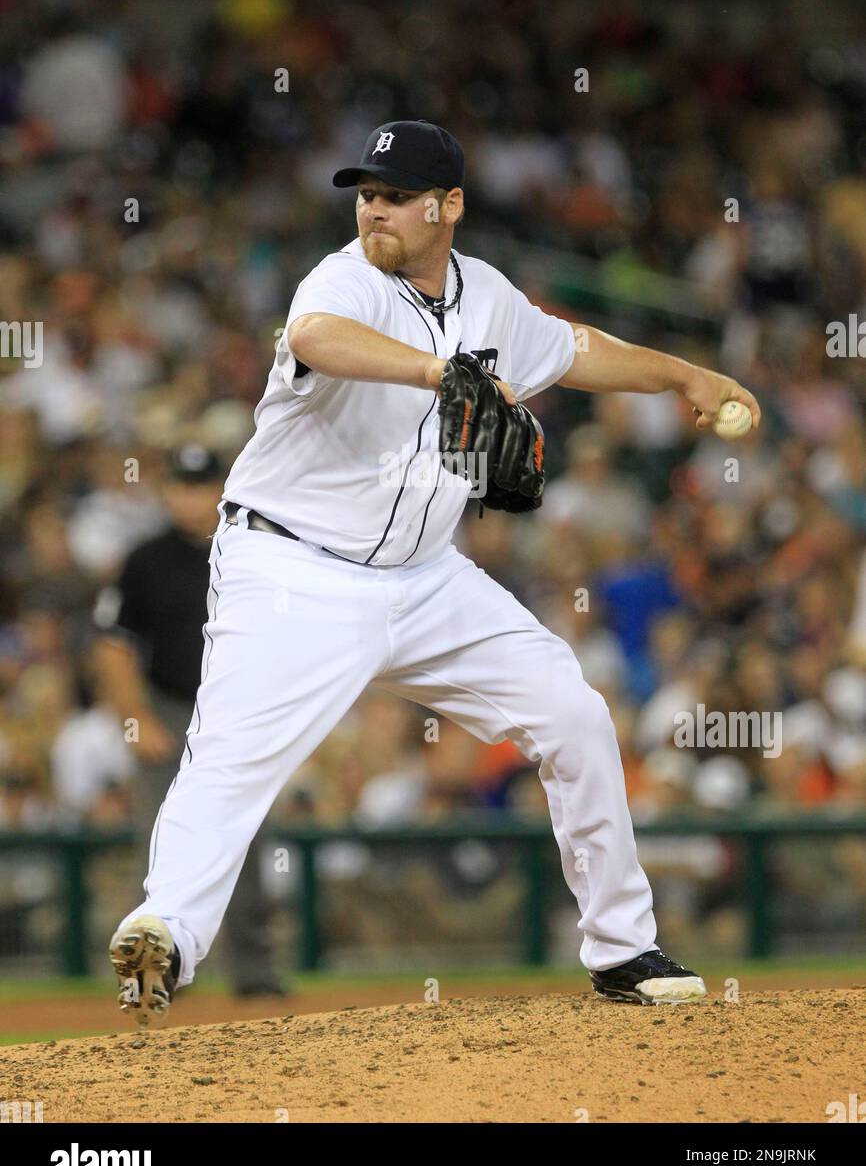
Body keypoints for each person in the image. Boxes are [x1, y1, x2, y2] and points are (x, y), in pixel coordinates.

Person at [109, 120, 760, 1016]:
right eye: (365, 194)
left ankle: (624, 949)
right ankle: (164, 934)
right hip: (294, 569)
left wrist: (683, 374)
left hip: (425, 578)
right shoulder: (345, 280)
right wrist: (435, 371)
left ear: (447, 206)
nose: (373, 209)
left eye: (394, 195)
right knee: (232, 758)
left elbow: (573, 351)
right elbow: (316, 334)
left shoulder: (487, 295)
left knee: (572, 712)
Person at [97, 444, 284, 1000]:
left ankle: (255, 972)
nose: (192, 496)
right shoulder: (145, 558)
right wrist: (137, 719)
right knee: (161, 843)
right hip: (170, 710)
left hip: (238, 713)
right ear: (168, 490)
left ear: (221, 490)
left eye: (203, 485)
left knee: (249, 839)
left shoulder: (253, 548)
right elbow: (112, 645)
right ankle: (154, 972)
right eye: (183, 485)